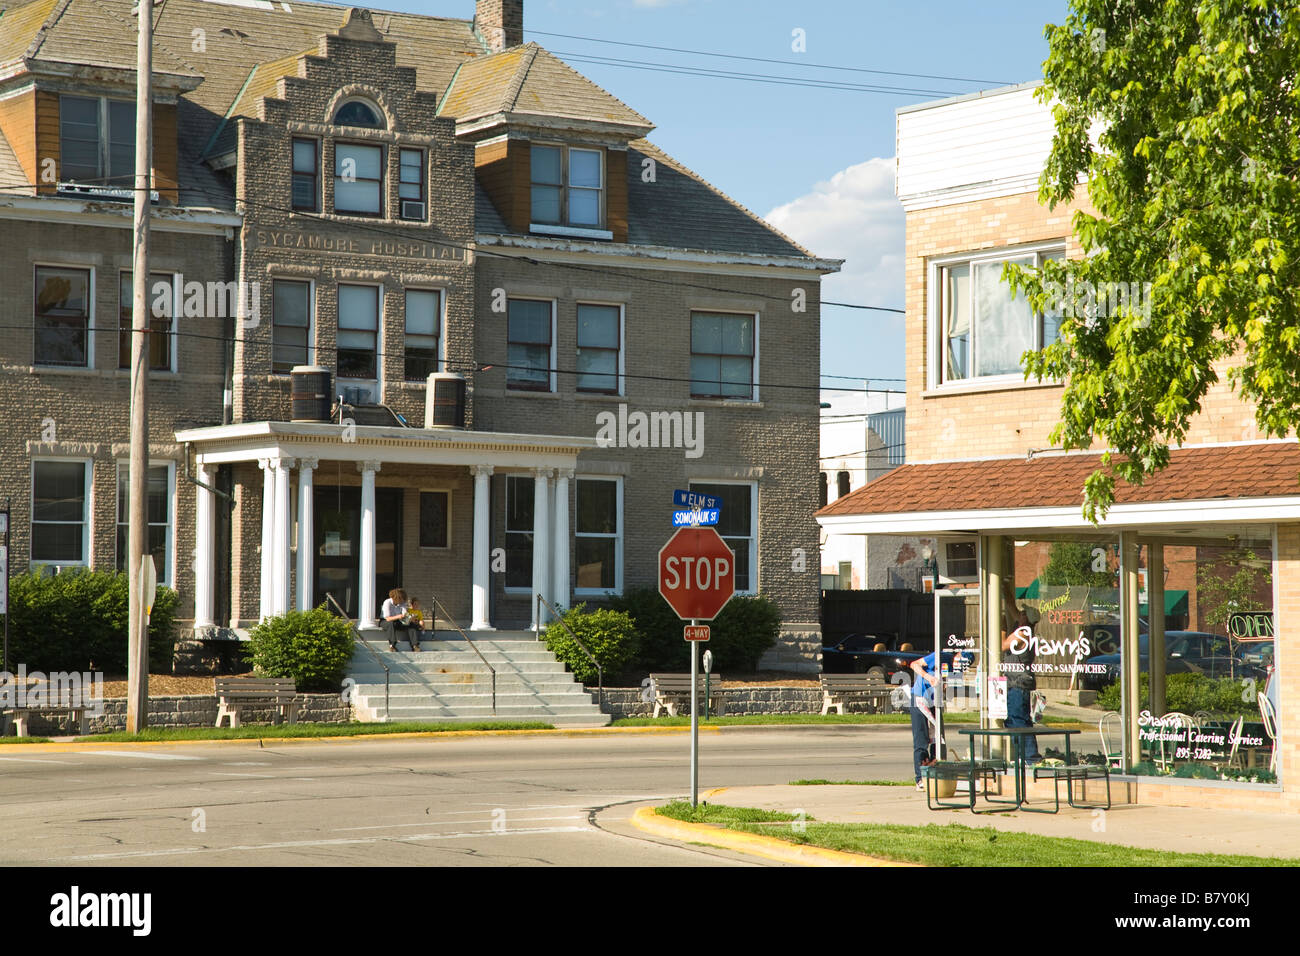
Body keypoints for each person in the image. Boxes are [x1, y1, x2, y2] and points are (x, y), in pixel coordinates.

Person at [909, 649, 973, 791]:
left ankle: (935, 772)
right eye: (958, 662)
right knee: (921, 739)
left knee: (939, 739)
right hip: (919, 699)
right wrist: (929, 678)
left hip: (934, 703)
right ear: (957, 655)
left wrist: (945, 686)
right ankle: (920, 778)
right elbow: (914, 664)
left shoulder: (955, 670)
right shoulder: (940, 657)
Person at [1001, 603, 1040, 763]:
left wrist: (1001, 627)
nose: (1019, 614)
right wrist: (1004, 592)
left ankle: (1030, 758)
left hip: (1017, 685)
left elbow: (1002, 645)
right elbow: (1013, 611)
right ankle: (1023, 756)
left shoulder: (1022, 634)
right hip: (1019, 684)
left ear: (1026, 619)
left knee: (1018, 721)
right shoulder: (1026, 632)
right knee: (1016, 720)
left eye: (1023, 613)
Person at [381, 587, 422, 651]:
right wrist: (398, 616)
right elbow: (387, 618)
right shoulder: (387, 602)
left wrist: (411, 618)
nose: (403, 601)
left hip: (398, 621)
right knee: (390, 623)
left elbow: (405, 614)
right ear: (397, 598)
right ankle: (392, 645)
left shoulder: (402, 603)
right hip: (385, 621)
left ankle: (415, 645)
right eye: (402, 599)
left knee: (411, 624)